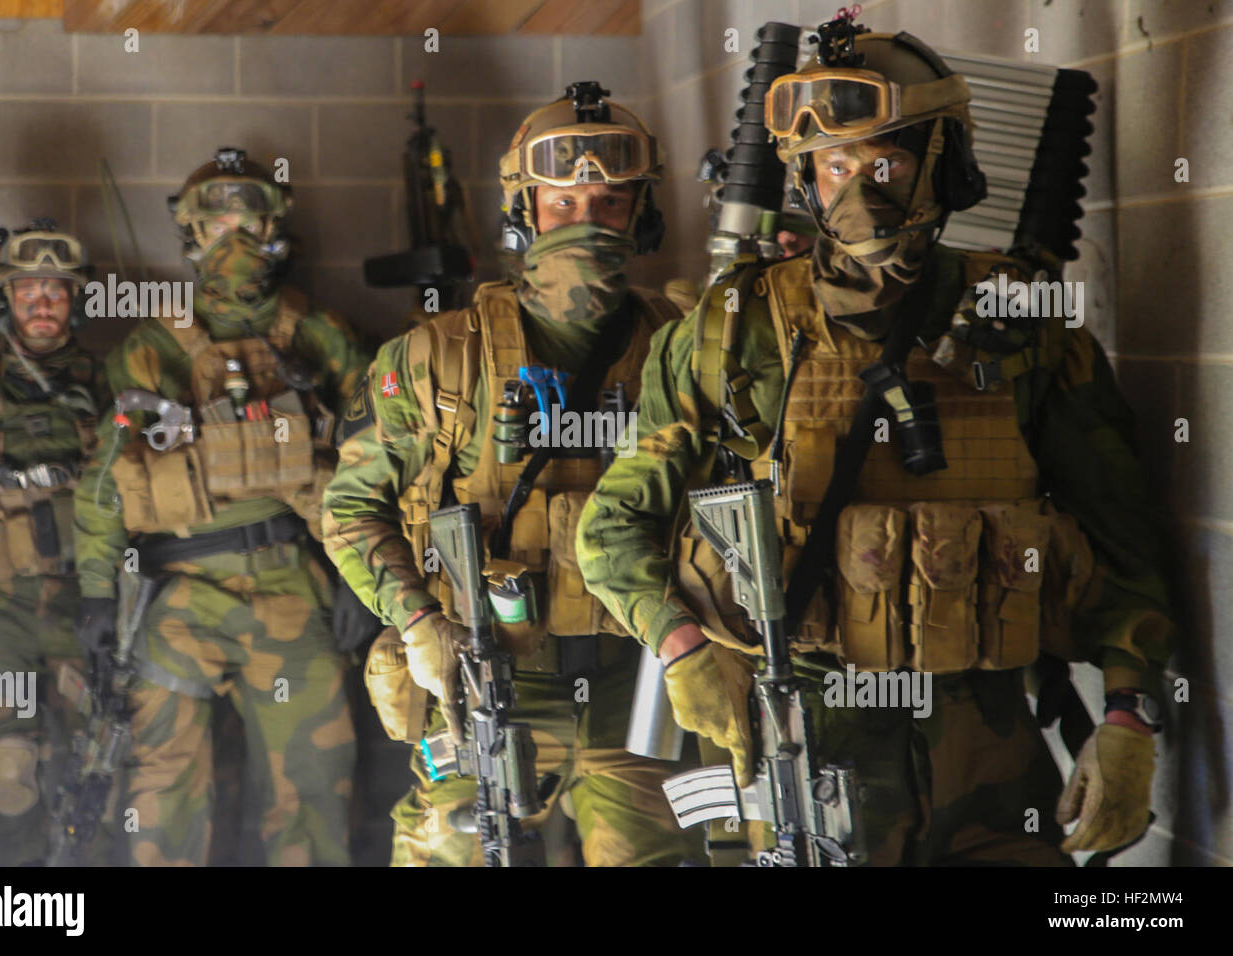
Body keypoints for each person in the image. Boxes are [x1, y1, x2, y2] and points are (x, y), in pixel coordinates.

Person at [576, 22, 1175, 865]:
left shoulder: (1023, 326)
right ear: (805, 179)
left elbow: (1123, 537)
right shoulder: (730, 330)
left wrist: (1126, 715)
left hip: (992, 749)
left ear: (944, 159)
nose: (860, 188)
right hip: (810, 737)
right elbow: (611, 530)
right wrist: (681, 648)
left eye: (884, 161)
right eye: (834, 165)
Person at [323, 82, 704, 866]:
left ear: (643, 214)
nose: (586, 222)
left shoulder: (685, 345)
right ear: (525, 214)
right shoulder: (439, 356)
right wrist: (419, 621)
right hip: (491, 670)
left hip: (642, 679)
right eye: (562, 205)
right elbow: (353, 508)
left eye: (608, 203)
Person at [73, 148, 367, 866]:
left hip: (291, 584)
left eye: (248, 218)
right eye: (216, 222)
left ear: (275, 229)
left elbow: (379, 461)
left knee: (315, 789)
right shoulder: (152, 346)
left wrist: (364, 572)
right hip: (180, 594)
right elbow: (109, 477)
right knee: (162, 793)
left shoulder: (318, 334)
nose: (233, 237)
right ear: (192, 236)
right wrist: (93, 593)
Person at [0, 220, 111, 865]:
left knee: (91, 772)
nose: (43, 305)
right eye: (27, 292)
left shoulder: (105, 383)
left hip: (87, 606)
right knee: (10, 774)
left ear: (75, 300)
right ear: (5, 301)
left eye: (57, 292)